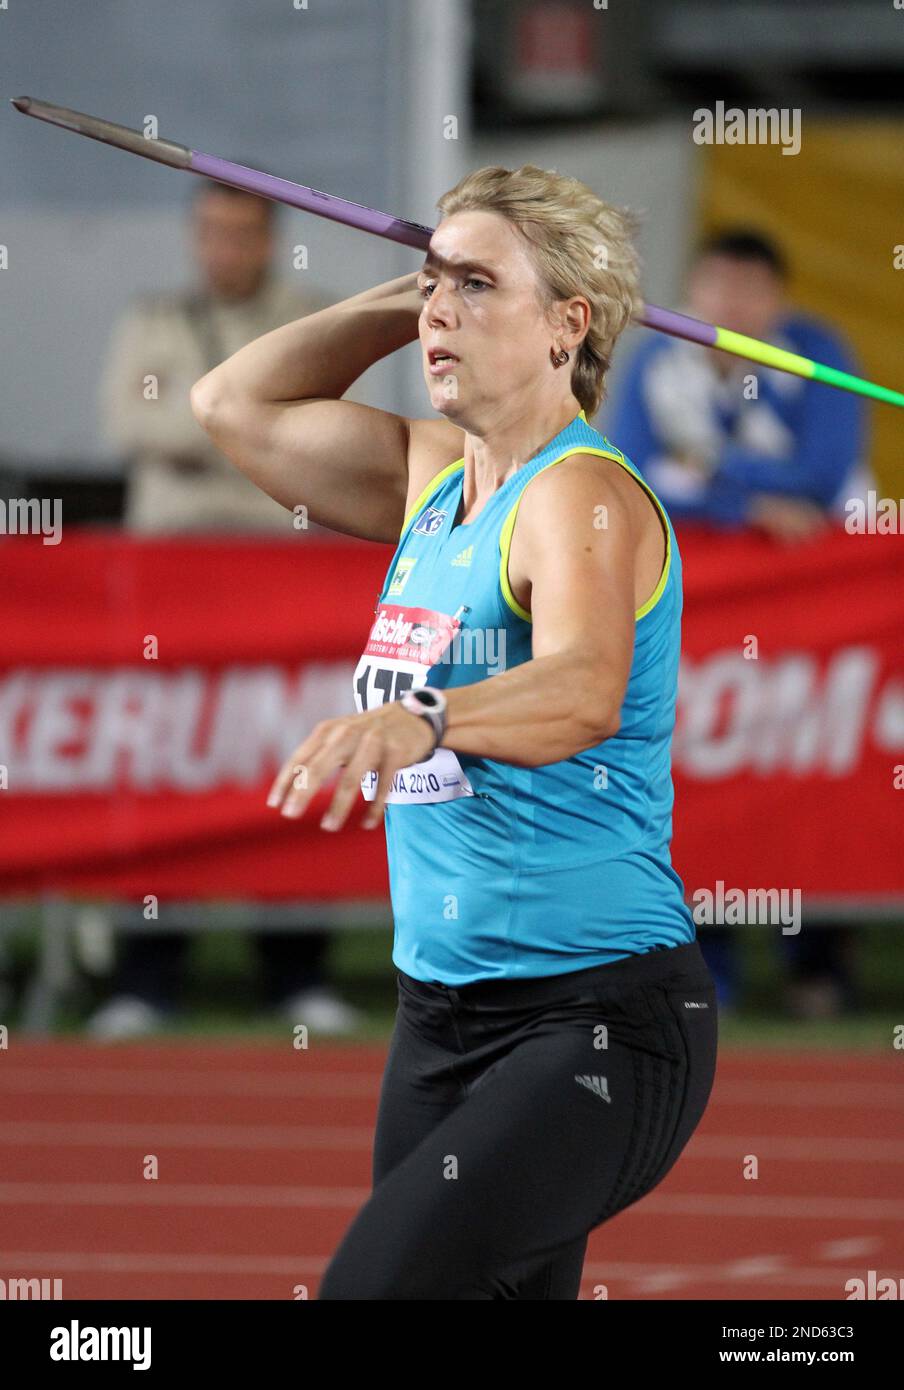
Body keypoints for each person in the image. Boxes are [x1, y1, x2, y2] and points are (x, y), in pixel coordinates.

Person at [191, 164, 719, 1300]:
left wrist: (423, 720)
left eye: (477, 287)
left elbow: (580, 687)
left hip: (596, 1022)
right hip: (439, 1018)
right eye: (434, 286)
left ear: (565, 325)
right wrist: (403, 294)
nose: (440, 312)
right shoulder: (435, 478)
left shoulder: (581, 497)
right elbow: (231, 406)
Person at [89, 180, 361, 1040]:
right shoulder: (152, 317)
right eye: (210, 231)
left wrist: (207, 425)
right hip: (169, 575)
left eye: (241, 232)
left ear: (272, 238)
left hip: (281, 573)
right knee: (158, 759)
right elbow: (129, 424)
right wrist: (252, 433)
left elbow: (324, 435)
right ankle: (143, 977)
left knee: (292, 753)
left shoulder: (309, 316)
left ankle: (294, 977)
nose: (224, 248)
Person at [609, 230, 868, 1016]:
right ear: (694, 289)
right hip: (705, 618)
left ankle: (817, 962)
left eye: (751, 290)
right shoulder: (659, 362)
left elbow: (823, 476)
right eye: (716, 287)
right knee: (697, 778)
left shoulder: (818, 355)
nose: (731, 306)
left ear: (778, 299)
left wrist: (710, 469)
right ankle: (703, 964)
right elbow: (630, 469)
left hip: (818, 618)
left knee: (817, 776)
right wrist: (747, 500)